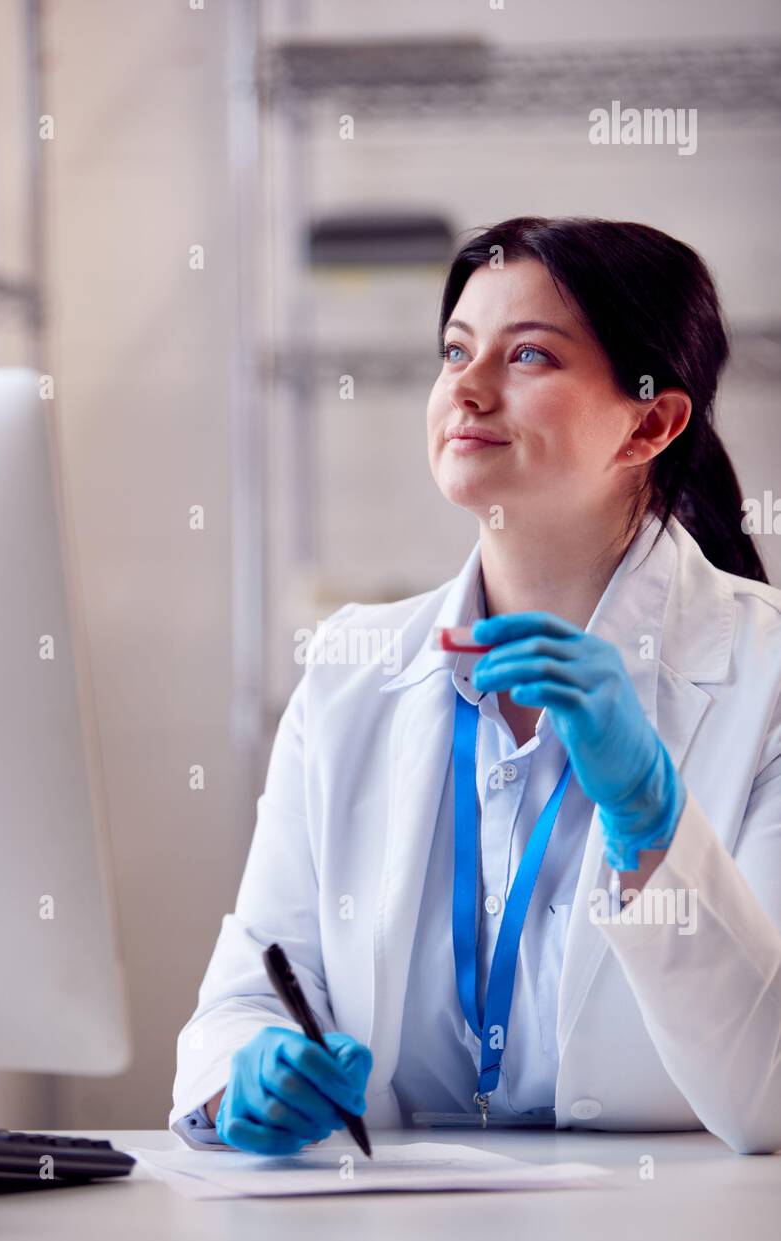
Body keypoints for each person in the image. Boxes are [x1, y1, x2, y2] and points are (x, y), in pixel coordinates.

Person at [171, 216, 781, 1157]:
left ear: (650, 421)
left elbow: (770, 1092)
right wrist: (245, 1074)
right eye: (456, 350)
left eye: (529, 354)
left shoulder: (767, 673)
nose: (467, 385)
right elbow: (255, 984)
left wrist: (655, 828)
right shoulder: (350, 667)